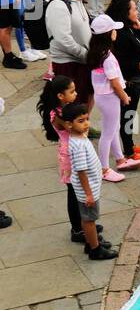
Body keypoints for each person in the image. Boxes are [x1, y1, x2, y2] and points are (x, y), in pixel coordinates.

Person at [38, 74, 111, 247]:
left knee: (76, 193)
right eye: (72, 91)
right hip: (70, 156)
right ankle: (78, 229)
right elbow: (73, 128)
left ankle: (86, 225)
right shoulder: (57, 115)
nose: (76, 93)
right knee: (74, 193)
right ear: (60, 96)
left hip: (74, 150)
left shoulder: (66, 109)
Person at [59, 102, 118, 261]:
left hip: (89, 187)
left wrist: (100, 169)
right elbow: (81, 171)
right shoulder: (77, 145)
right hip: (87, 190)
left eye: (87, 119)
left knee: (89, 219)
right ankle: (95, 249)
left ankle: (90, 242)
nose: (86, 124)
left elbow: (88, 162)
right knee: (89, 220)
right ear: (69, 124)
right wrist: (88, 194)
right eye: (81, 121)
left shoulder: (79, 137)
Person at [88, 12, 140, 179]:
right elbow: (115, 82)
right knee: (108, 133)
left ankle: (120, 159)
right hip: (110, 96)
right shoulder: (108, 57)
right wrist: (124, 96)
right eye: (113, 30)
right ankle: (104, 169)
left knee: (113, 128)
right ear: (108, 34)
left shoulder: (97, 53)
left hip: (103, 96)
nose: (116, 32)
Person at [104, 0, 140, 162]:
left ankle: (129, 146)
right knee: (127, 115)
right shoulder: (118, 33)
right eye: (134, 9)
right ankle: (128, 152)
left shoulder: (129, 26)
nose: (137, 11)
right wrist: (138, 66)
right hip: (126, 81)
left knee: (131, 114)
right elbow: (116, 61)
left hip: (133, 80)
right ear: (125, 12)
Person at [45, 0, 96, 104]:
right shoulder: (58, 6)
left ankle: (83, 123)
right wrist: (85, 54)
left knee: (88, 94)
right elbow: (63, 39)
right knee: (74, 102)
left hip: (82, 59)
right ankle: (74, 124)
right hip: (68, 62)